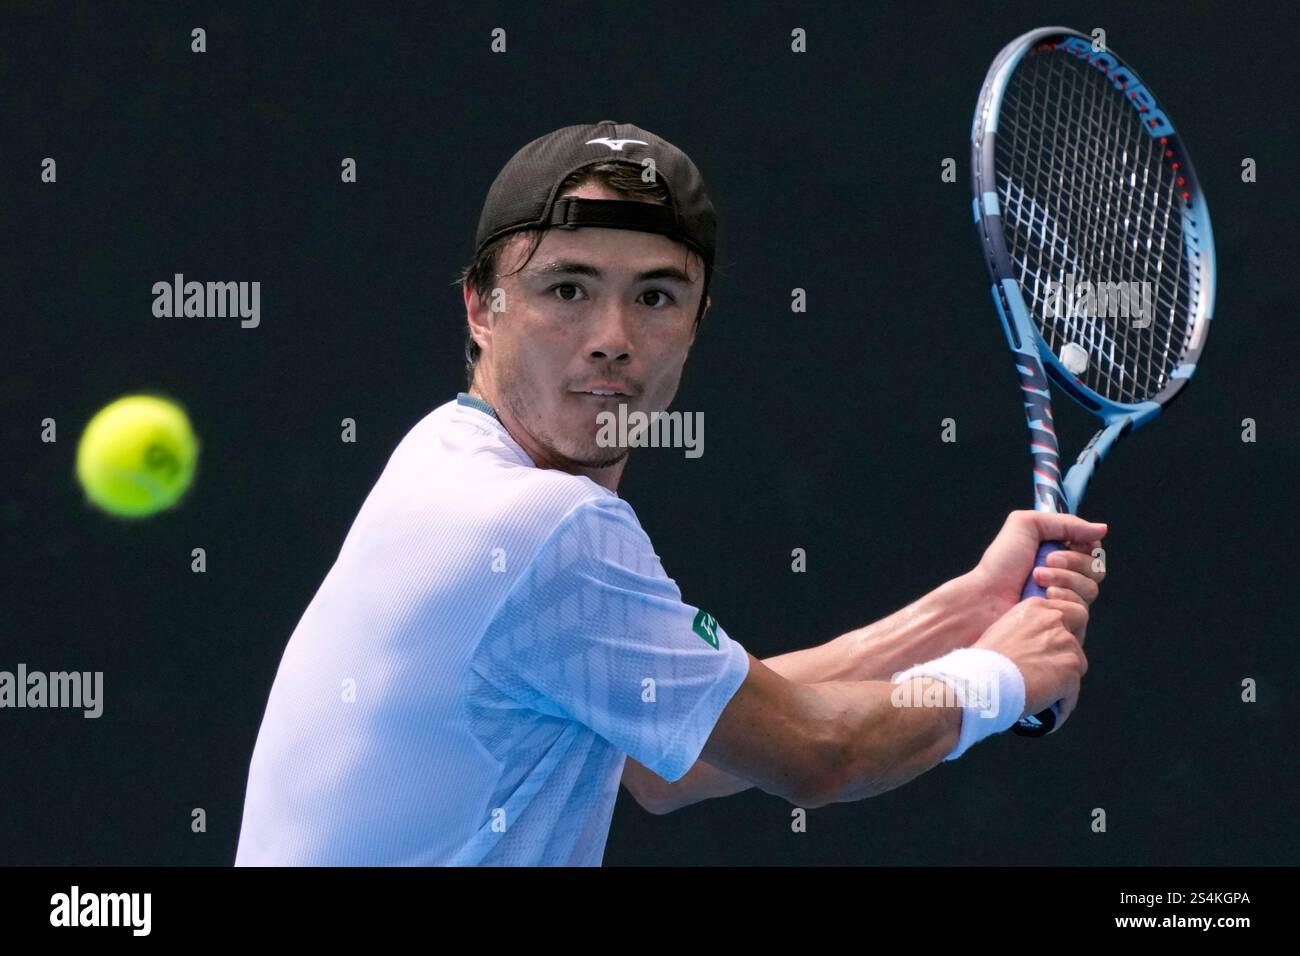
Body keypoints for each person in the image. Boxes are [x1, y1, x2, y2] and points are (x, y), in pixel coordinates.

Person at [234, 121, 1106, 866]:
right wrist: (1004, 677)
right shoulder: (542, 525)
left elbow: (662, 763)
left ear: (695, 325)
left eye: (654, 296)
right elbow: (820, 753)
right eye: (567, 288)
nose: (612, 340)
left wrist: (962, 614)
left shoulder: (443, 454)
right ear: (480, 307)